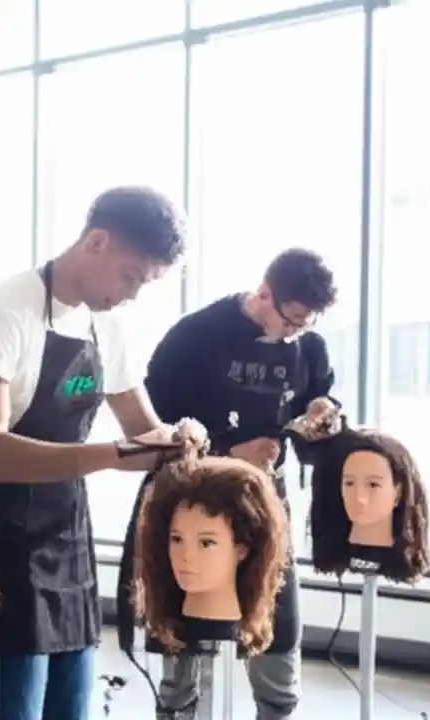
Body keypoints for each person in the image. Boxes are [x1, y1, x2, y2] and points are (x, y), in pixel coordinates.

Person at [0, 187, 192, 720]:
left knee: (73, 710)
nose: (131, 294)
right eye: (131, 275)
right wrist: (111, 454)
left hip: (69, 543)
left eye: (144, 283)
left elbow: (144, 435)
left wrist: (179, 444)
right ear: (97, 241)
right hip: (1, 543)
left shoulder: (103, 326)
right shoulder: (5, 310)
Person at [124, 248, 337, 720]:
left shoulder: (309, 346)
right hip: (194, 499)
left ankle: (277, 709)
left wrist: (321, 411)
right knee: (187, 613)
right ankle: (179, 710)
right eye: (292, 319)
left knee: (275, 615)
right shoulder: (197, 335)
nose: (296, 332)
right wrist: (227, 452)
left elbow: (317, 394)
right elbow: (155, 424)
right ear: (265, 293)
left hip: (264, 500)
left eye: (307, 323)